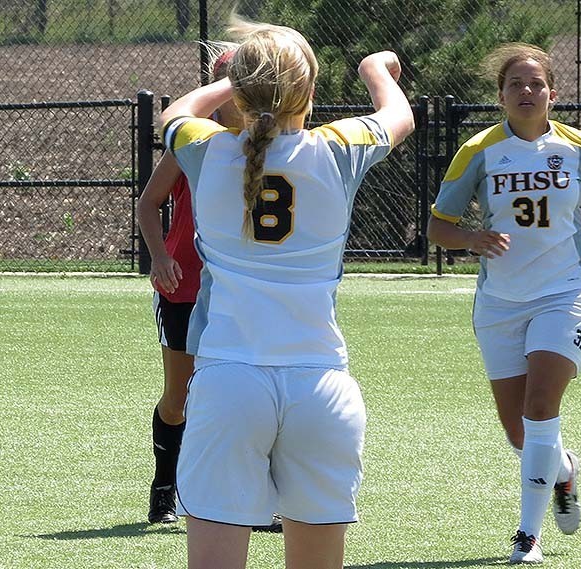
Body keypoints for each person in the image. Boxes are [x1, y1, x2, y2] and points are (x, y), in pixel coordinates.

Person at [158, 16, 413, 569]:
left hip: (228, 384)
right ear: (311, 92)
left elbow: (175, 113)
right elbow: (399, 116)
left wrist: (237, 81)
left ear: (241, 93)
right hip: (321, 388)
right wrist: (375, 68)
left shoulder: (207, 150)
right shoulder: (337, 149)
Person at [427, 43, 581, 565]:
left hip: (564, 293)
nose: (526, 93)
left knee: (541, 406)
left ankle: (527, 536)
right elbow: (439, 227)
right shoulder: (479, 150)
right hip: (500, 301)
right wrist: (473, 240)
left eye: (536, 84)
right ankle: (563, 470)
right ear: (500, 95)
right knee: (517, 430)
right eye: (515, 85)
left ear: (552, 93)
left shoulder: (579, 147)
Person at [137, 42, 290, 531]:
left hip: (242, 290)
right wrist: (160, 257)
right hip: (185, 286)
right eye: (233, 81)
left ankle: (253, 500)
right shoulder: (197, 144)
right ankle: (165, 489)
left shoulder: (279, 143)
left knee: (251, 391)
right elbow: (148, 205)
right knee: (180, 397)